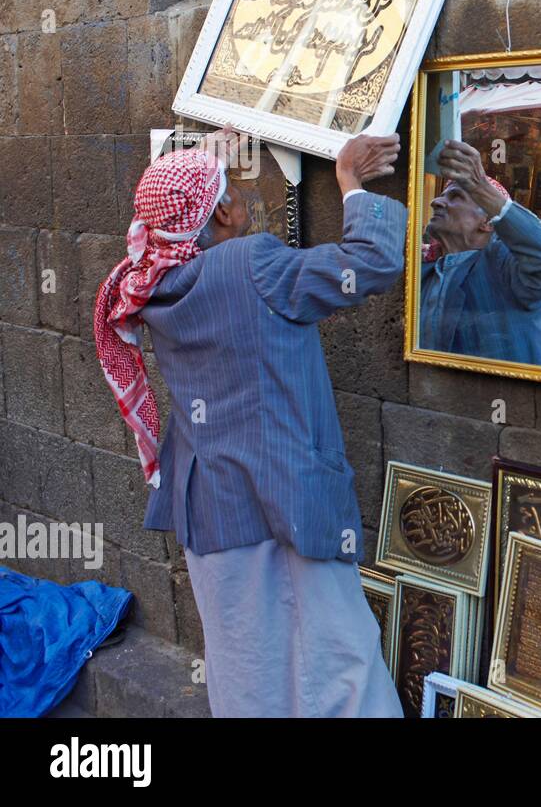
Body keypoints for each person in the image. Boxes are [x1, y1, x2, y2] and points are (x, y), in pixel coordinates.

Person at [94, 129, 407, 717]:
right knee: (339, 667)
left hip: (210, 509)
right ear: (222, 212)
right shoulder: (249, 264)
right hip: (278, 502)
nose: (244, 196)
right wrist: (349, 181)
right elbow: (372, 262)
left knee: (247, 671)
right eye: (234, 188)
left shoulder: (154, 285)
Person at [419, 141, 541, 363]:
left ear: (488, 222)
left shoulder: (505, 267)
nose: (436, 202)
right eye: (443, 195)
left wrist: (479, 186)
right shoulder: (424, 269)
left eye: (456, 197)